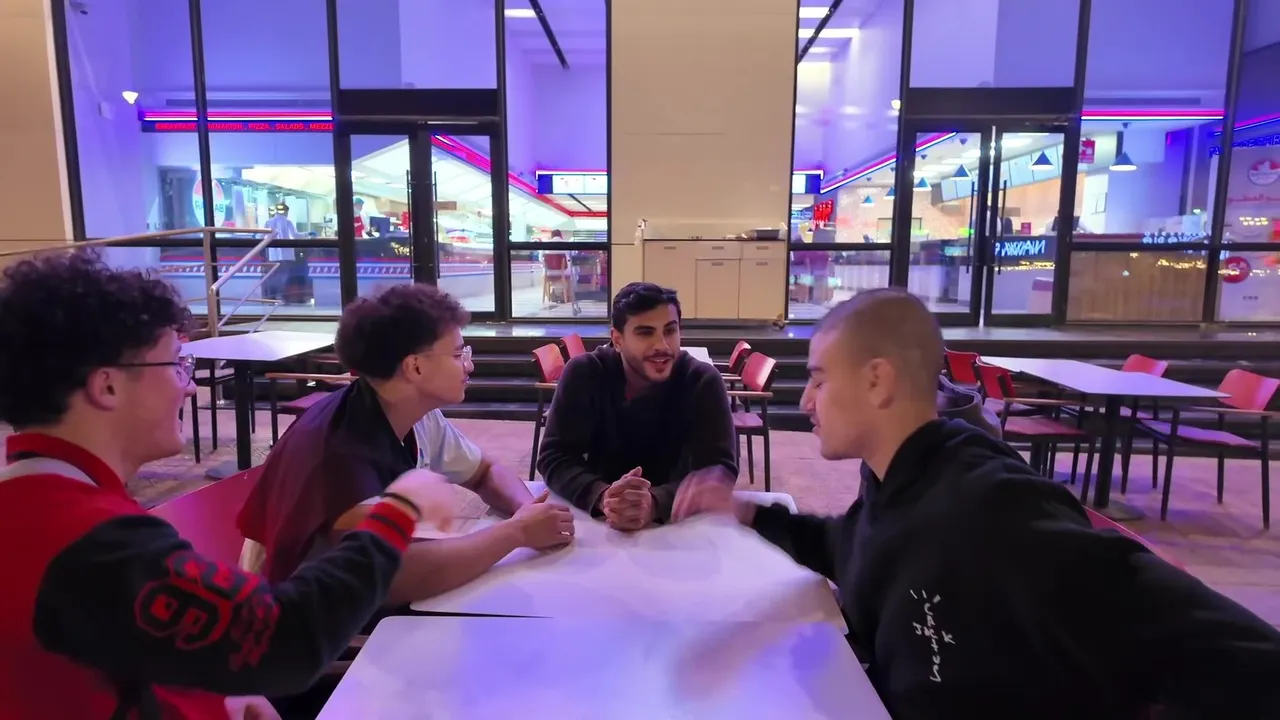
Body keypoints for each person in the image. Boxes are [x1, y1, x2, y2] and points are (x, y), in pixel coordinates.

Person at [673, 287, 1280, 718]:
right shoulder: (895, 480)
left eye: (820, 378)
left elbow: (1235, 655)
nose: (806, 400)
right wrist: (750, 512)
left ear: (877, 380)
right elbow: (857, 549)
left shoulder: (993, 508)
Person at [0, 251, 455, 718]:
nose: (189, 386)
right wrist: (399, 509)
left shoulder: (40, 502)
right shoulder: (83, 536)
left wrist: (223, 697)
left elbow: (126, 658)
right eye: (177, 364)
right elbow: (282, 641)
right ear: (107, 386)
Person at [238, 283, 574, 604]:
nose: (469, 365)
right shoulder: (340, 453)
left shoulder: (411, 411)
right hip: (308, 623)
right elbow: (391, 575)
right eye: (458, 354)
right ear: (415, 367)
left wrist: (527, 510)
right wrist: (516, 533)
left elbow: (484, 471)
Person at [537, 282, 736, 531]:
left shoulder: (702, 381)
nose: (662, 345)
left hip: (679, 528)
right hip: (599, 525)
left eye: (670, 331)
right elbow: (554, 456)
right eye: (645, 333)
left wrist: (655, 502)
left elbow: (720, 469)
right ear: (617, 339)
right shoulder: (585, 374)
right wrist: (603, 496)